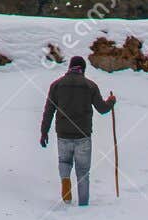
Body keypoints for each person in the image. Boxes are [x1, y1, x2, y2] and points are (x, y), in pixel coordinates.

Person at [40, 55, 116, 206]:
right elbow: (102, 109)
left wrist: (44, 132)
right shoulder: (90, 86)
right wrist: (111, 101)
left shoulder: (57, 85)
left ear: (70, 67)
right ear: (83, 69)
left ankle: (66, 183)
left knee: (64, 161)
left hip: (63, 134)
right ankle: (83, 205)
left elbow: (49, 111)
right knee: (83, 172)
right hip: (83, 135)